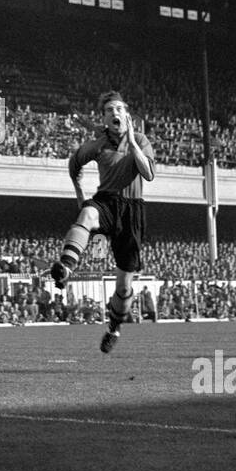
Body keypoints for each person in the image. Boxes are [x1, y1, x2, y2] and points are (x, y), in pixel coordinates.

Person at [49, 91, 156, 353]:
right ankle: (66, 268)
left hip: (132, 211)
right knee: (87, 213)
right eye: (109, 110)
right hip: (107, 201)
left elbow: (149, 174)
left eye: (119, 108)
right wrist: (79, 194)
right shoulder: (97, 145)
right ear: (105, 118)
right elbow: (74, 163)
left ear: (127, 114)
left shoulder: (141, 140)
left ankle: (114, 328)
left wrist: (131, 141)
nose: (115, 112)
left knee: (124, 286)